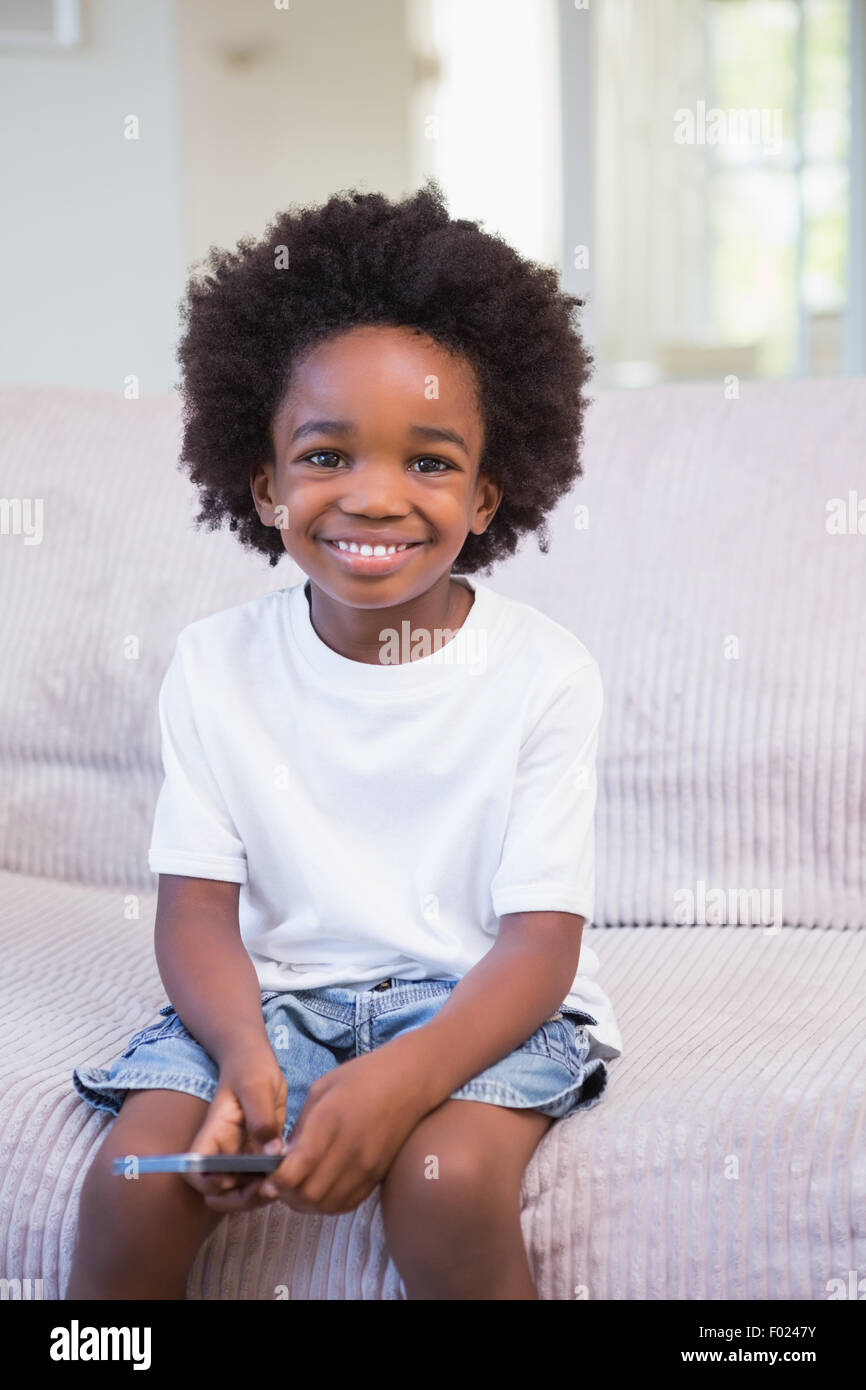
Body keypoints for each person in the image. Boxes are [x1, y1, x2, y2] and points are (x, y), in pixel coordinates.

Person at [67, 179, 622, 1302]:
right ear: (264, 483)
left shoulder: (543, 672)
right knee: (134, 1179)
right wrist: (244, 1059)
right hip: (264, 1002)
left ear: (484, 496)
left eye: (426, 462)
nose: (373, 497)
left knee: (443, 1175)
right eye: (326, 457)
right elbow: (195, 911)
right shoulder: (215, 665)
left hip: (470, 1001)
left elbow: (536, 946)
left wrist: (398, 1080)